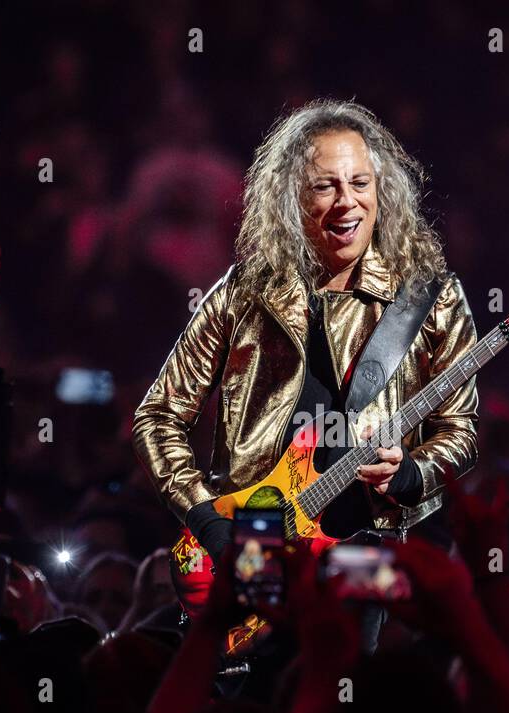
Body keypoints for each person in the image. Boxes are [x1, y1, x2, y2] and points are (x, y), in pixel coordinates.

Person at [131, 99, 480, 649]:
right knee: (248, 699)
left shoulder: (428, 298)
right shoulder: (243, 294)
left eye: (360, 182)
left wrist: (412, 474)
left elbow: (460, 430)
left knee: (349, 692)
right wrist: (206, 517)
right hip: (259, 538)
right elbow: (158, 416)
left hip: (376, 551)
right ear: (291, 197)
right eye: (326, 186)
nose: (348, 202)